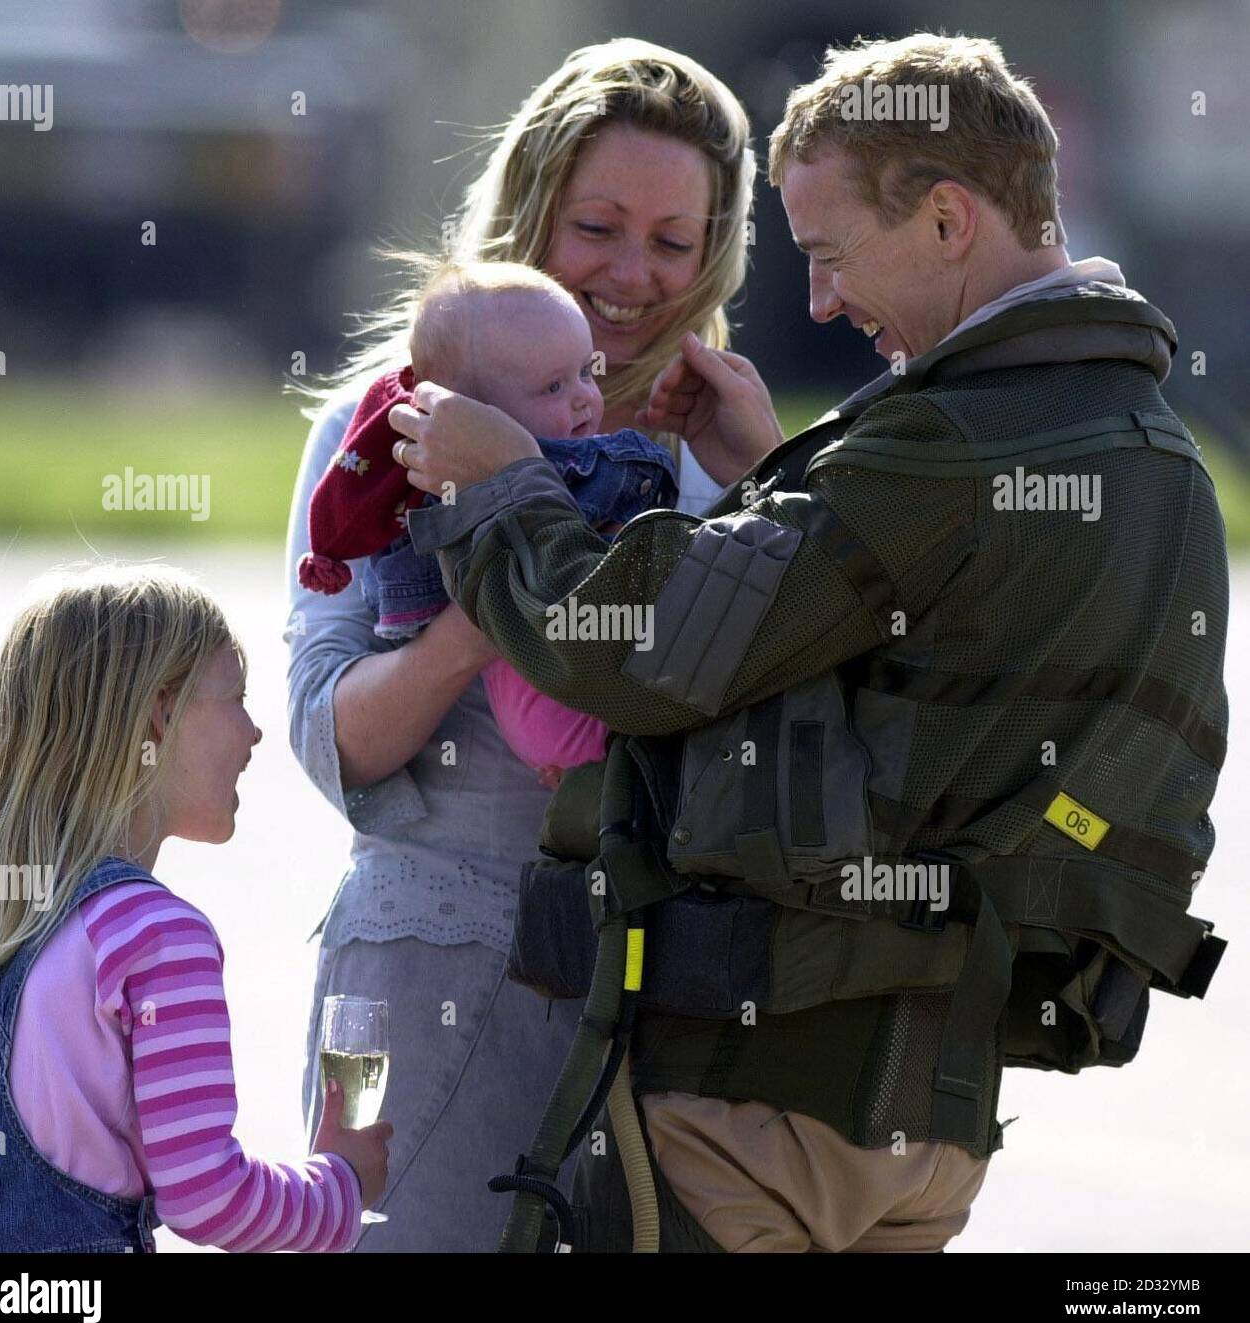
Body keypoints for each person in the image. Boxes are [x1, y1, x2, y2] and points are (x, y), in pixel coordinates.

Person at [390, 32, 1229, 1253]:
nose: (823, 299)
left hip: (754, 1114)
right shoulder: (1165, 468)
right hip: (931, 1135)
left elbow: (629, 644)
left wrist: (506, 490)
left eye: (830, 255)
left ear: (948, 219)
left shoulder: (950, 446)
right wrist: (765, 476)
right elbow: (923, 680)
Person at [285, 38, 780, 1251]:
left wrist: (772, 479)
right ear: (528, 208)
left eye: (675, 242)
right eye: (596, 225)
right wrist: (486, 605)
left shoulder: (710, 446)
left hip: (649, 1002)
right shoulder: (393, 422)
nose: (633, 275)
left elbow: (783, 720)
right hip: (409, 977)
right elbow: (326, 737)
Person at [0, 564, 390, 1252]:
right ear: (159, 713)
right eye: (237, 698)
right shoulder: (156, 935)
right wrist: (340, 1183)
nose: (255, 734)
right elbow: (208, 1196)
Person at [295, 259, 678, 788]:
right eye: (551, 387)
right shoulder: (557, 468)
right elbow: (324, 734)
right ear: (466, 416)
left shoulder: (696, 415)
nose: (585, 396)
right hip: (564, 706)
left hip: (569, 714)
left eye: (587, 372)